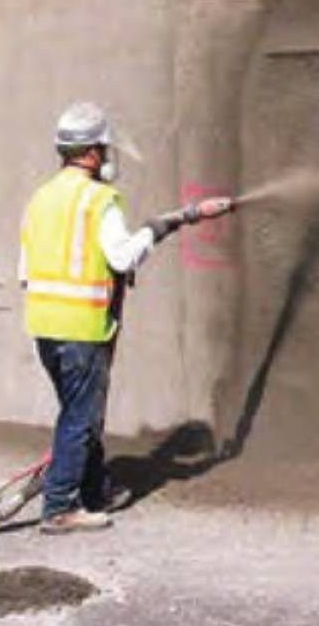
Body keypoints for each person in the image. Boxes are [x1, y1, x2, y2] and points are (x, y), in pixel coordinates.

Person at [19, 102, 227, 534]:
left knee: (80, 414)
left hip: (44, 326)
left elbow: (25, 270)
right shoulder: (99, 200)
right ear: (93, 153)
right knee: (80, 418)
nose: (107, 158)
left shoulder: (41, 198)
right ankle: (59, 507)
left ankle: (92, 490)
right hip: (82, 328)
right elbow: (123, 255)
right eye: (105, 150)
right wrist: (158, 226)